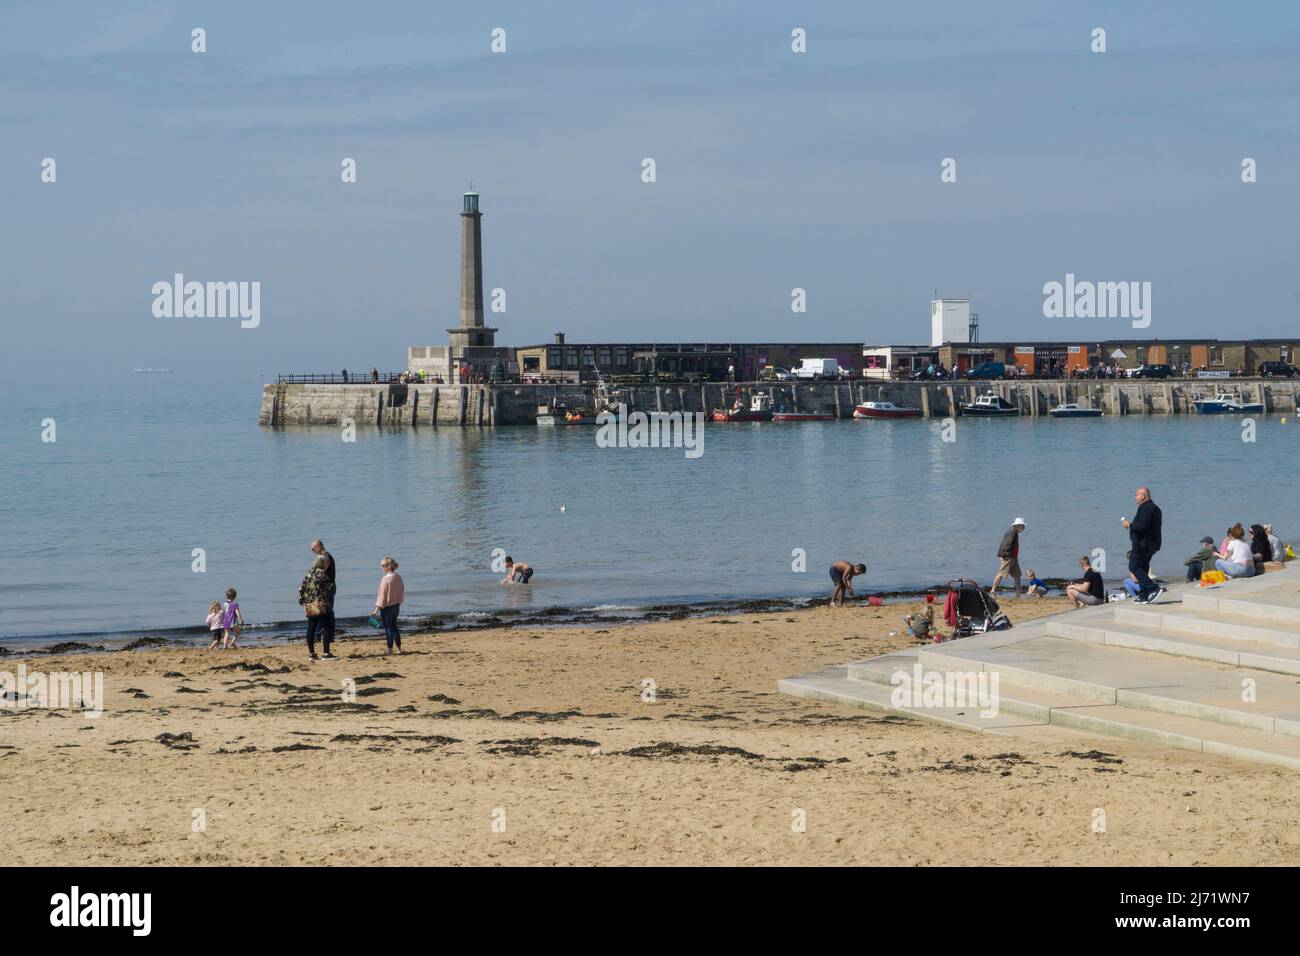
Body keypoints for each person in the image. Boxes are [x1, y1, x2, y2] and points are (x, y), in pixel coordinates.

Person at [1121, 487, 1164, 603]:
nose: (1135, 497)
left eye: (1136, 495)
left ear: (1143, 496)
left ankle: (1152, 588)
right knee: (1143, 568)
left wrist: (1129, 525)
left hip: (1143, 545)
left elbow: (1142, 526)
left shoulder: (1148, 508)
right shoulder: (1148, 508)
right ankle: (1144, 594)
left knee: (1133, 566)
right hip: (1148, 545)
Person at [300, 545, 338, 661]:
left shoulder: (309, 573)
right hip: (320, 604)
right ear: (322, 563)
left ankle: (311, 654)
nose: (328, 564)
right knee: (327, 627)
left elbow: (301, 588)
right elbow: (329, 587)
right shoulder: (323, 575)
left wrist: (303, 602)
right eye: (326, 562)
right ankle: (326, 653)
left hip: (309, 605)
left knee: (311, 627)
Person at [373, 556, 405, 655]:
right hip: (396, 606)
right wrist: (399, 602)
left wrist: (376, 610)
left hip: (387, 607)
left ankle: (390, 649)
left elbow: (382, 596)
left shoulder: (385, 579)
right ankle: (399, 648)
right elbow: (401, 591)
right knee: (394, 626)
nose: (381, 567)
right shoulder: (398, 577)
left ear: (389, 566)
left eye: (383, 565)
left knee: (388, 628)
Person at [991, 518, 1026, 597]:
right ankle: (993, 590)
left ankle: (1018, 591)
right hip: (1008, 557)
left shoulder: (1014, 531)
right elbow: (1006, 544)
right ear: (1019, 525)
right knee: (1001, 573)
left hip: (1013, 557)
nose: (1024, 528)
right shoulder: (1012, 531)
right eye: (1023, 526)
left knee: (1017, 574)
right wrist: (1003, 555)